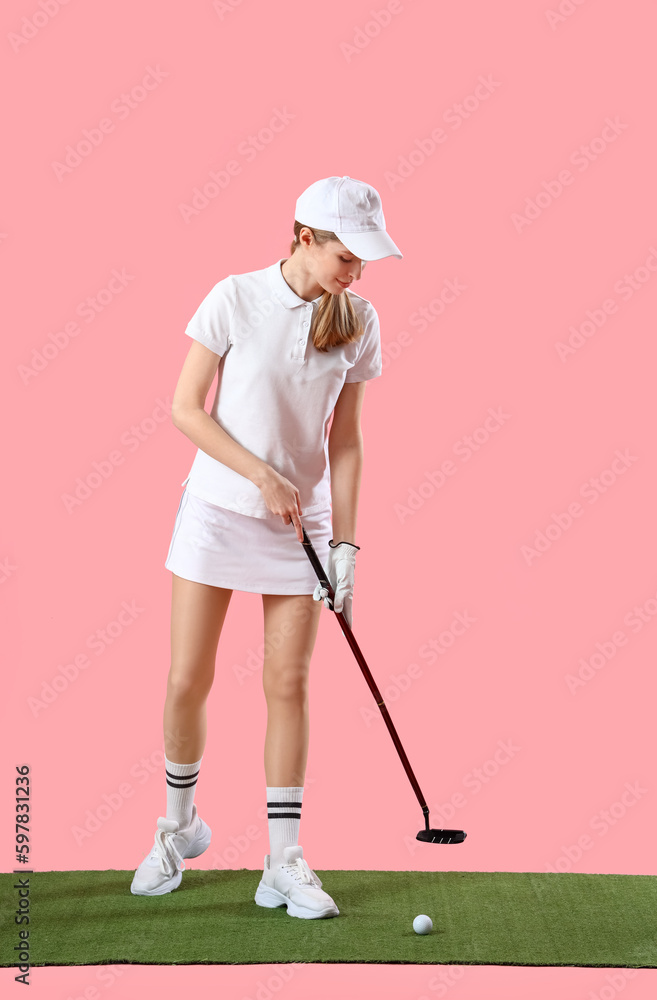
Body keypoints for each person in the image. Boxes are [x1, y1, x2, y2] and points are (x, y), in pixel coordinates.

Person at [130, 175, 402, 919]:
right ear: (303, 237)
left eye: (364, 260)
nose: (357, 272)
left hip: (301, 528)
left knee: (288, 685)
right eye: (346, 257)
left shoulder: (359, 318)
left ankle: (282, 862)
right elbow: (187, 409)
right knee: (189, 676)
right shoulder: (234, 297)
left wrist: (345, 545)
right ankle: (178, 830)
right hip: (218, 511)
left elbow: (345, 443)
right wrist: (260, 475)